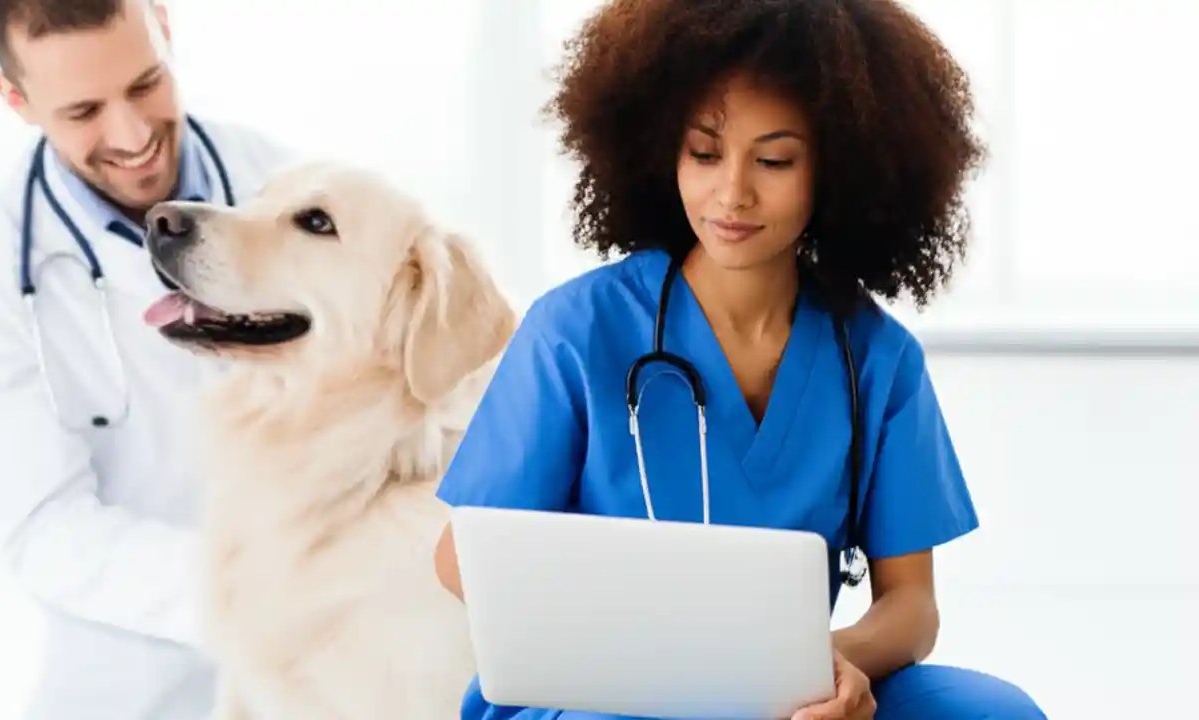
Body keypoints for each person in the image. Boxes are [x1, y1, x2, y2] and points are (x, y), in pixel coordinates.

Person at [432, 1, 1046, 718]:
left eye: (774, 160)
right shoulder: (576, 330)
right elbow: (461, 557)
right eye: (704, 153)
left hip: (786, 696)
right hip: (605, 693)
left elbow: (911, 606)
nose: (733, 193)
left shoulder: (876, 360)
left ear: (838, 167)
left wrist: (831, 662)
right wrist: (620, 645)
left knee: (991, 712)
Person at [0, 1, 301, 718]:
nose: (133, 137)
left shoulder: (285, 187)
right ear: (15, 99)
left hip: (322, 668)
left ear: (164, 23)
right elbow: (45, 529)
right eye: (83, 112)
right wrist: (260, 589)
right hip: (136, 688)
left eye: (145, 84)